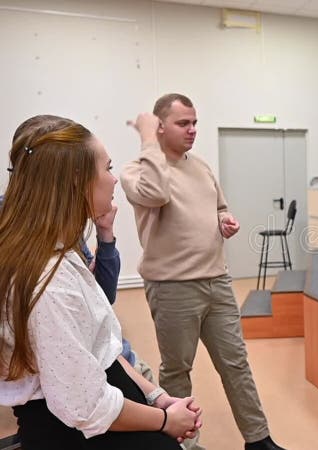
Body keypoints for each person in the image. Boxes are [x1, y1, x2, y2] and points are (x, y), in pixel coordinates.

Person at [0, 118, 201, 449]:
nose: (114, 179)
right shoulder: (47, 282)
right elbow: (87, 406)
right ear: (77, 183)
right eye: (107, 169)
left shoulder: (62, 254)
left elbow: (103, 344)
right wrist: (166, 420)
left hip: (112, 398)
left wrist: (157, 396)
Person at [120, 94, 284, 450]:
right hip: (173, 287)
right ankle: (183, 445)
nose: (193, 130)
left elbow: (219, 206)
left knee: (236, 364)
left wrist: (224, 220)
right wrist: (148, 140)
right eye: (183, 123)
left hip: (217, 281)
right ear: (160, 126)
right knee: (178, 370)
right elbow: (157, 192)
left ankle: (259, 439)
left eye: (195, 122)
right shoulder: (136, 171)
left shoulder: (202, 167)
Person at [1, 114, 152, 380]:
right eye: (107, 168)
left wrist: (106, 234)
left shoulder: (64, 228)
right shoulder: (38, 263)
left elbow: (103, 295)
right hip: (88, 374)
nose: (114, 179)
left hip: (110, 360)